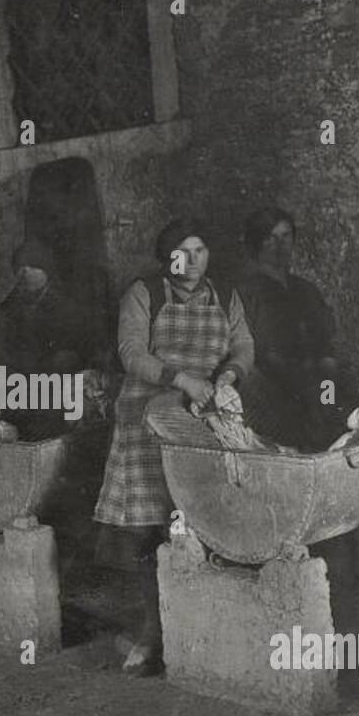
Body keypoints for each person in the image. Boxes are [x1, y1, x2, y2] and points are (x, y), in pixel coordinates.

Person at [94, 219, 255, 676]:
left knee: (201, 522)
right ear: (168, 257)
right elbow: (131, 353)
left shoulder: (225, 296)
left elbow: (244, 345)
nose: (193, 259)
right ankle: (153, 631)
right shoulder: (143, 292)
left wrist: (227, 377)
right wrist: (179, 377)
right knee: (151, 530)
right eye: (184, 251)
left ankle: (201, 630)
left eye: (201, 249)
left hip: (203, 415)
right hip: (146, 416)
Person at [230, 207, 351, 449]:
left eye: (286, 236)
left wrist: (326, 371)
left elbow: (324, 341)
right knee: (293, 429)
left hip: (316, 378)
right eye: (270, 238)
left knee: (337, 411)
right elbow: (252, 347)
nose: (279, 245)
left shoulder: (306, 289)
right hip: (272, 384)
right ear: (257, 243)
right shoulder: (246, 292)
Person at [0, 238, 93, 439]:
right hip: (14, 391)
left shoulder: (65, 307)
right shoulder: (9, 305)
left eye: (32, 266)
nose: (24, 273)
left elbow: (76, 353)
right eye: (20, 268)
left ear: (45, 270)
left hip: (51, 392)